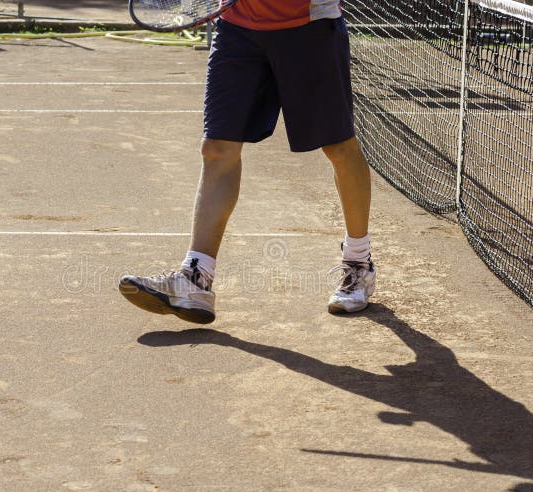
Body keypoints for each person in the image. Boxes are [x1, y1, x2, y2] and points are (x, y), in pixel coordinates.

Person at [119, 0, 374, 324]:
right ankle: (196, 277)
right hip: (238, 27)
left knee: (338, 148)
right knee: (217, 148)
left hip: (308, 25)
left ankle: (358, 264)